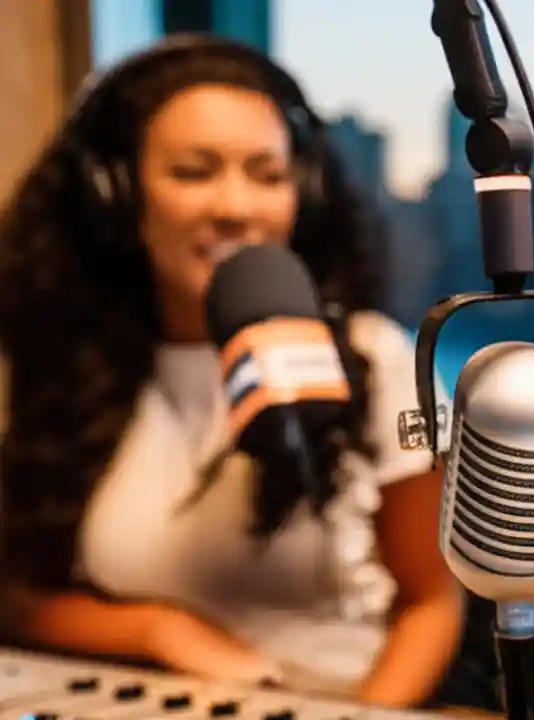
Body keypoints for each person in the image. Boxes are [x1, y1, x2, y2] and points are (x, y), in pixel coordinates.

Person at [0, 34, 468, 709]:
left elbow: (432, 601)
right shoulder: (71, 362)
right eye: (194, 171)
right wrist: (159, 630)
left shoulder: (374, 358)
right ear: (116, 196)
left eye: (267, 175)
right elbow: (16, 597)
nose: (236, 206)